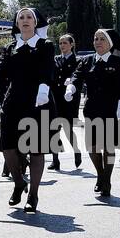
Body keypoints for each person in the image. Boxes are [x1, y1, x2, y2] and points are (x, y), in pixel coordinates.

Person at [0, 7, 57, 213]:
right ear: (17, 23)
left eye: (29, 17)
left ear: (35, 22)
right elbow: (0, 70)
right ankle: (18, 182)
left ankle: (33, 194)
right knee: (8, 147)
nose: (25, 20)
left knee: (36, 150)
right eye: (21, 17)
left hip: (37, 103)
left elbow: (47, 69)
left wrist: (43, 89)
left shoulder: (45, 45)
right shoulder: (10, 48)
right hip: (13, 102)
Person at [68, 29, 120, 198]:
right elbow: (77, 76)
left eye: (102, 39)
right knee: (92, 146)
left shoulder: (118, 62)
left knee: (109, 147)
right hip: (91, 110)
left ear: (109, 43)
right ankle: (100, 174)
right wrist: (72, 86)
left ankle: (107, 179)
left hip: (111, 110)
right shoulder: (87, 60)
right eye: (95, 38)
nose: (98, 41)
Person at [49, 33, 82, 170]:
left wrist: (71, 83)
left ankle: (76, 151)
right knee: (53, 130)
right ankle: (55, 160)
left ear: (71, 45)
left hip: (69, 100)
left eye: (65, 43)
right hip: (56, 99)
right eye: (60, 43)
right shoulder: (56, 59)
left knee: (67, 129)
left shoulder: (77, 61)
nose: (62, 46)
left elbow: (79, 78)